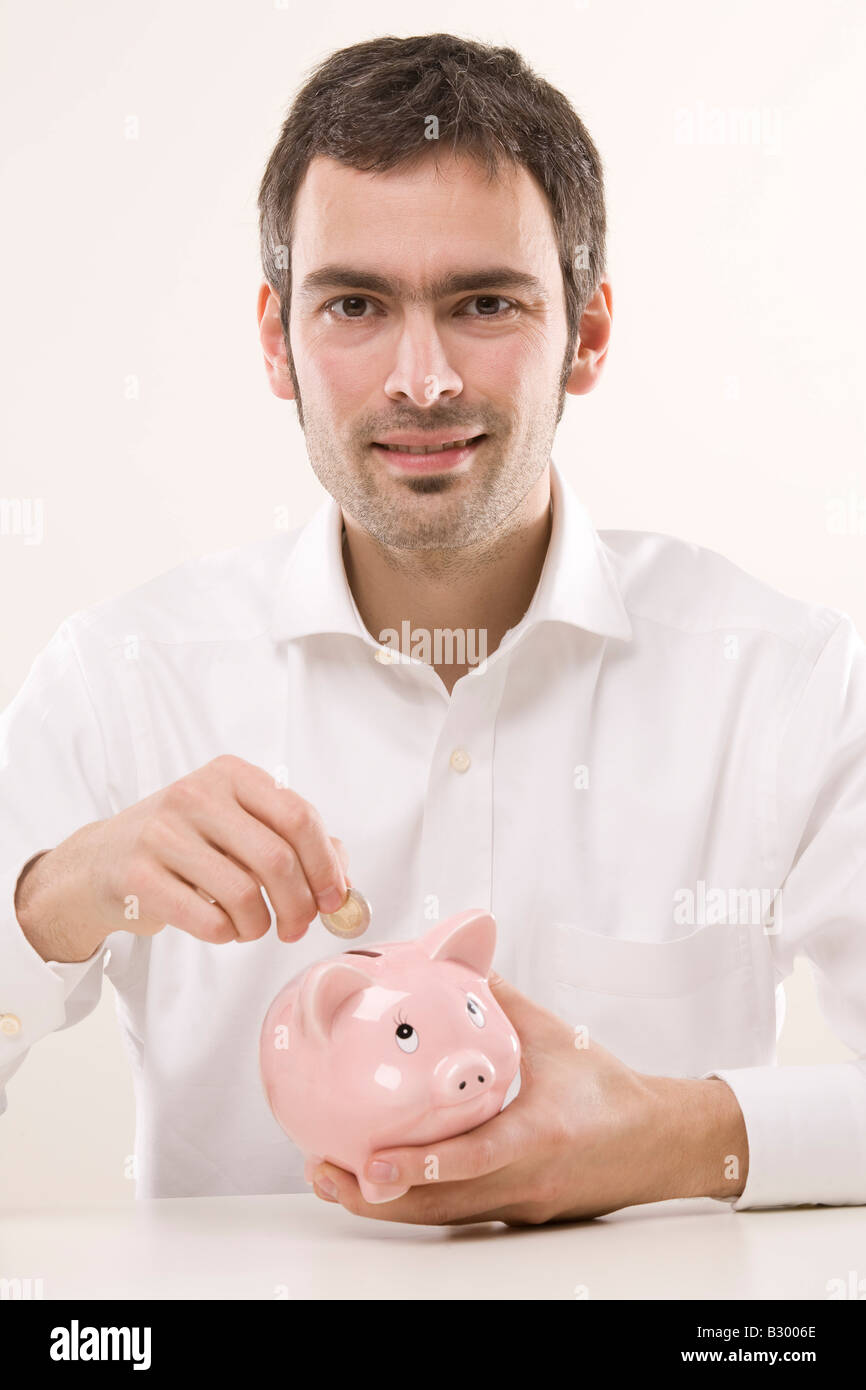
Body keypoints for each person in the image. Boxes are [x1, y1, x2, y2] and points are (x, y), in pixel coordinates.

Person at [2, 33, 864, 1227]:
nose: (420, 377)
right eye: (354, 303)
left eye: (482, 304)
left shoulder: (783, 681)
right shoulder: (124, 681)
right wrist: (50, 900)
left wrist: (679, 1138)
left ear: (589, 335)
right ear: (275, 340)